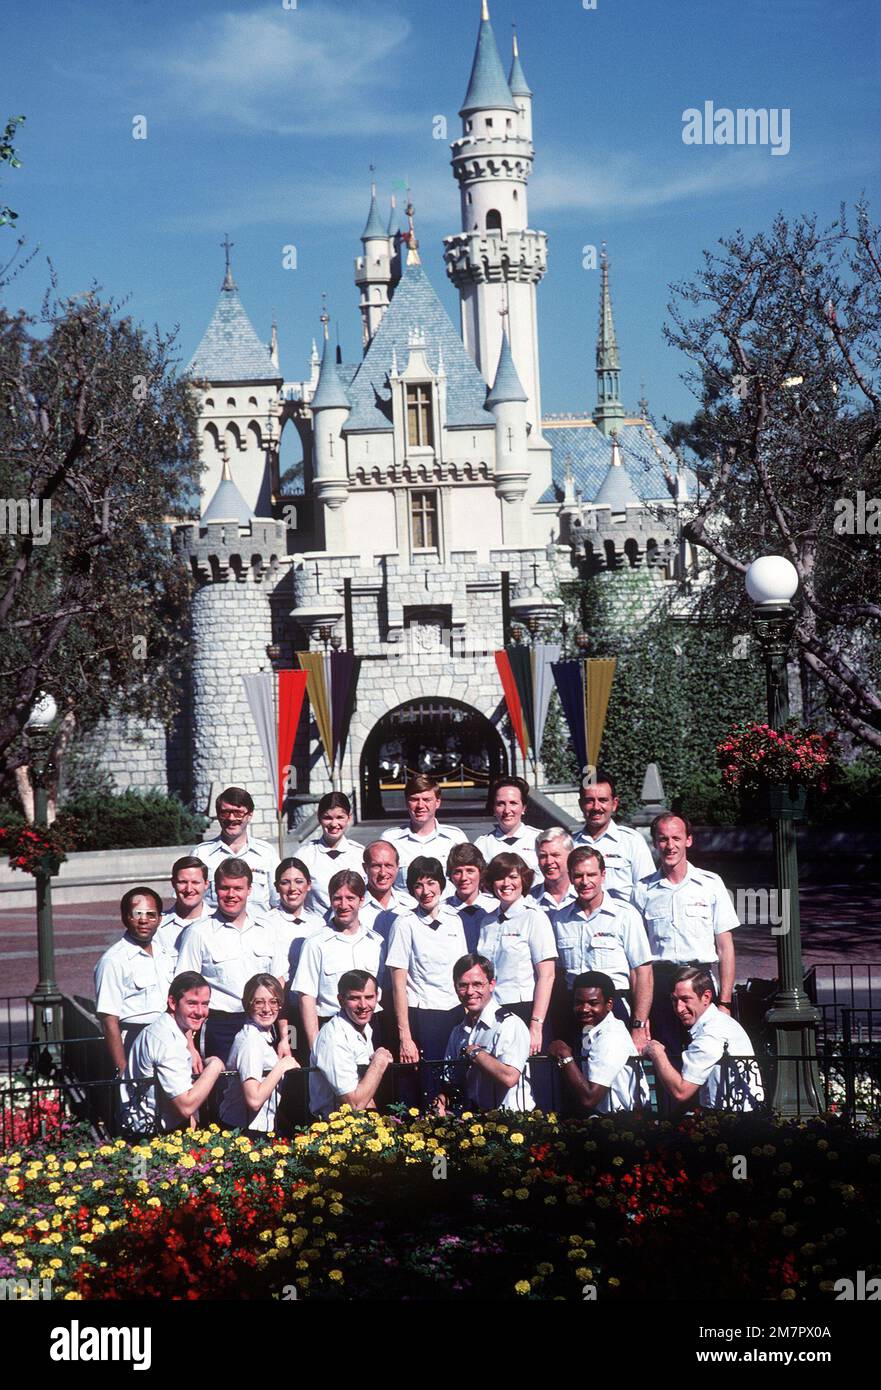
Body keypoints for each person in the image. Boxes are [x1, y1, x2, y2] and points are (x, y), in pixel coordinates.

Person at [634, 813, 740, 1070]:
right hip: (660, 986)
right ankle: (673, 1112)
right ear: (655, 843)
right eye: (663, 839)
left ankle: (711, 1112)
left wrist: (724, 1002)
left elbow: (725, 949)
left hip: (700, 982)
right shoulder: (642, 890)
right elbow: (636, 959)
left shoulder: (710, 884)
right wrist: (641, 1013)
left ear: (688, 841)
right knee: (665, 1057)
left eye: (676, 838)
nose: (670, 845)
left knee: (709, 1056)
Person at [175, 858, 288, 1062]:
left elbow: (279, 985)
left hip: (263, 1021)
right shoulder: (198, 933)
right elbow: (183, 992)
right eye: (225, 888)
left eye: (238, 888)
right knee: (224, 1089)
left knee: (267, 1086)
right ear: (215, 889)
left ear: (249, 890)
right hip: (220, 1026)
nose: (231, 895)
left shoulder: (268, 931)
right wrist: (188, 1045)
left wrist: (285, 1038)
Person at [554, 848, 653, 1054]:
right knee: (580, 1074)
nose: (585, 881)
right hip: (576, 1009)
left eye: (591, 874)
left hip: (614, 1007)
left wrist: (638, 1025)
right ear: (571, 877)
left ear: (603, 875)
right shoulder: (561, 919)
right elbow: (559, 974)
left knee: (619, 1073)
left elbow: (642, 973)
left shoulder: (625, 915)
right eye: (578, 875)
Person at [643, 967, 764, 1112]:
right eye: (674, 1000)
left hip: (734, 1119)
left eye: (685, 999)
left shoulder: (712, 1032)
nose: (679, 1008)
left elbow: (681, 1092)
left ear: (706, 997)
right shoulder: (714, 1022)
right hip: (721, 1114)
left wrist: (657, 1053)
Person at [386, 856, 467, 1068]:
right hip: (422, 1016)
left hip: (455, 1014)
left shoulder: (454, 920)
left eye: (431, 883)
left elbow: (462, 975)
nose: (425, 891)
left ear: (441, 884)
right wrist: (405, 1037)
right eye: (418, 885)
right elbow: (398, 986)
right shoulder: (404, 924)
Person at [293, 870, 386, 1052]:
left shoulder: (376, 943)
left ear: (362, 900)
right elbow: (307, 998)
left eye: (350, 898)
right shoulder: (315, 943)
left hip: (371, 1027)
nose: (343, 905)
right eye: (337, 898)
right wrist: (316, 1047)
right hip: (331, 1028)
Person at [122, 973, 226, 1136]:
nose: (200, 1012)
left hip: (152, 1127)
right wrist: (215, 1065)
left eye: (205, 1004)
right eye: (192, 1004)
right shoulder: (168, 1042)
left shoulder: (164, 1028)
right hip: (153, 1135)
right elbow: (186, 1106)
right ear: (172, 1002)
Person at [476, 853, 557, 1056]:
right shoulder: (487, 922)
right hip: (492, 1009)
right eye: (500, 877)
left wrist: (536, 1025)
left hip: (525, 1009)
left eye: (513, 877)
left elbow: (547, 976)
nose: (506, 884)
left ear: (524, 880)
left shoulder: (534, 917)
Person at [95, 887, 179, 1075]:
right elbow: (109, 1021)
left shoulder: (164, 953)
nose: (144, 920)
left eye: (151, 914)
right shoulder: (113, 961)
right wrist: (123, 1069)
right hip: (135, 1039)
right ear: (125, 918)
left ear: (159, 919)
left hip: (169, 1037)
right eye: (137, 914)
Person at [437, 955, 535, 1114]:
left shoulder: (508, 1024)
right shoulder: (458, 1032)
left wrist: (475, 1053)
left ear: (491, 985)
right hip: (475, 1120)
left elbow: (510, 1077)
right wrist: (441, 1102)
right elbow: (452, 1082)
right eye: (463, 985)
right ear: (455, 988)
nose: (470, 992)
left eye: (477, 984)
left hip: (512, 1121)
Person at [547, 972, 648, 1115]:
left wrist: (564, 1056)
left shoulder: (611, 1036)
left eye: (593, 1003)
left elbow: (590, 1098)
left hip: (622, 1123)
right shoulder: (590, 1029)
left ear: (609, 1004)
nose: (584, 1009)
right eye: (579, 1002)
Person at [261, 857, 326, 1061]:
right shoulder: (266, 924)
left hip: (315, 1012)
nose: (292, 888)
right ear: (276, 887)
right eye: (285, 882)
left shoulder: (318, 923)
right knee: (292, 1060)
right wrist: (284, 1032)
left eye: (298, 881)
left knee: (316, 1062)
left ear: (309, 885)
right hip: (284, 1014)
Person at [219, 974, 300, 1133]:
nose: (267, 1009)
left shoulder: (265, 1035)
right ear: (248, 1004)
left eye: (273, 1002)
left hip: (258, 1127)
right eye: (259, 1002)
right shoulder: (251, 1041)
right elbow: (254, 1099)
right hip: (244, 1131)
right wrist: (282, 1066)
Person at [308, 969, 394, 1119]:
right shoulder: (334, 1038)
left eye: (369, 997)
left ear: (377, 997)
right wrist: (379, 1062)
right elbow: (354, 1105)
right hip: (332, 1128)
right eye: (354, 998)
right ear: (340, 1000)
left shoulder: (364, 1027)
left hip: (361, 1123)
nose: (363, 1005)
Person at [190, 786, 280, 914]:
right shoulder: (201, 854)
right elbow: (189, 902)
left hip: (257, 931)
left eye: (238, 813)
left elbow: (278, 901)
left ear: (249, 815)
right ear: (218, 815)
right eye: (225, 812)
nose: (231, 819)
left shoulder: (266, 853)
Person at [571, 771, 655, 898]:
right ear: (581, 804)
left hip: (622, 916)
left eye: (603, 800)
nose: (596, 807)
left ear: (614, 804)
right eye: (589, 801)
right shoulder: (571, 844)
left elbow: (647, 890)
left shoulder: (631, 841)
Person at [381, 773, 467, 888]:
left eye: (427, 799)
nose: (420, 805)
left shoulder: (456, 838)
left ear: (437, 802)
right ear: (406, 802)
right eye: (414, 799)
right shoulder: (390, 840)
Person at [296, 792, 365, 914]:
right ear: (319, 818)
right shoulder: (304, 856)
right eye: (328, 818)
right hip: (317, 927)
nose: (334, 824)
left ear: (349, 818)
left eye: (340, 817)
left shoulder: (360, 854)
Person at [473, 776, 542, 873]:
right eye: (501, 804)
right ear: (494, 808)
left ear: (524, 808)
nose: (507, 810)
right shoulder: (482, 845)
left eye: (513, 803)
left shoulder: (539, 839)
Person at [359, 840, 417, 942]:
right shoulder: (352, 907)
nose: (383, 873)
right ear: (365, 868)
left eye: (388, 865)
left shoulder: (411, 905)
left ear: (397, 867)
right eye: (376, 866)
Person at [155, 857, 211, 957]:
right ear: (173, 883)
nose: (189, 889)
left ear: (206, 884)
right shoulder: (157, 927)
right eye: (183, 882)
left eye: (195, 882)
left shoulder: (221, 922)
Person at [444, 842, 494, 951]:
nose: (463, 878)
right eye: (457, 872)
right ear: (450, 876)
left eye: (470, 871)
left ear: (480, 873)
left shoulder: (495, 907)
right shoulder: (441, 910)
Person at [532, 828, 577, 924]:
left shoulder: (584, 895)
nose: (549, 862)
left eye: (555, 855)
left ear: (571, 856)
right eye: (543, 856)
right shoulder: (529, 900)